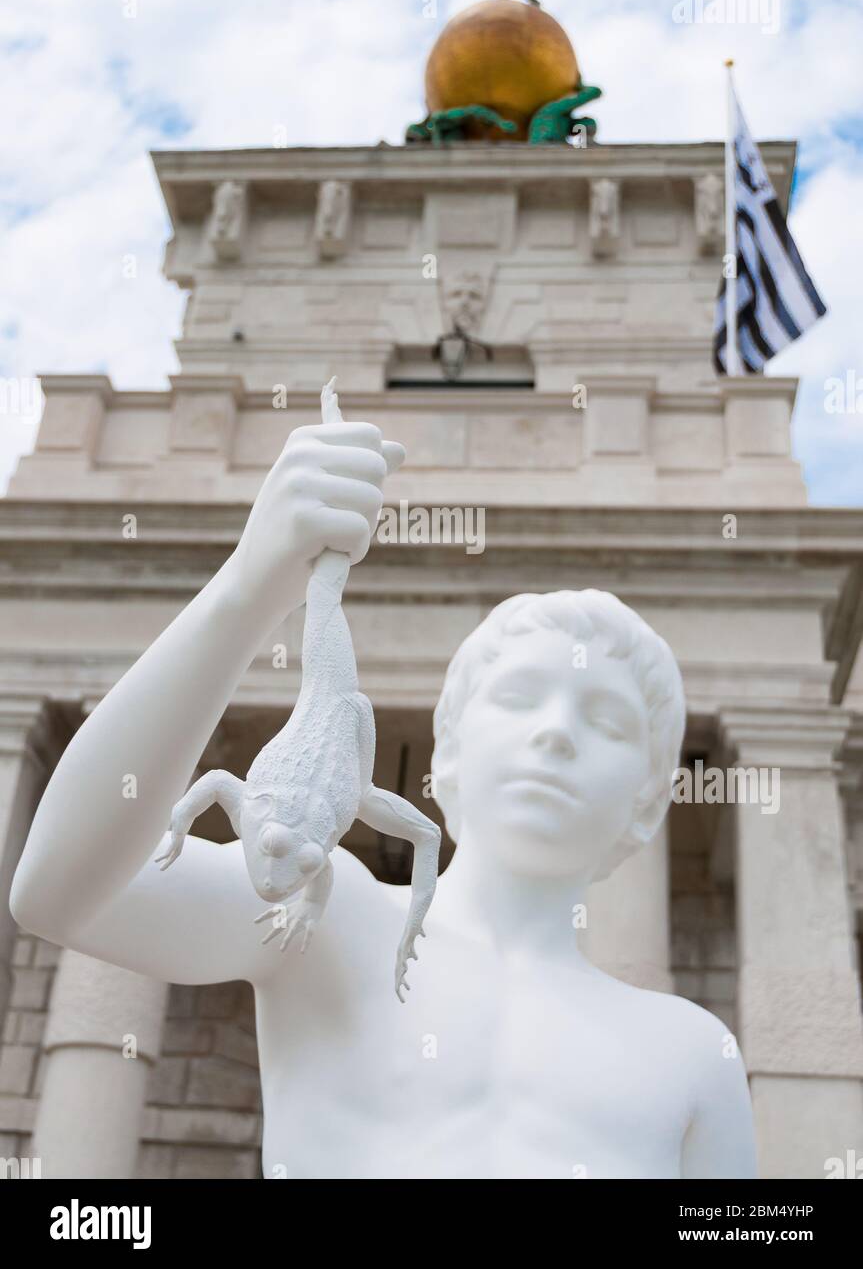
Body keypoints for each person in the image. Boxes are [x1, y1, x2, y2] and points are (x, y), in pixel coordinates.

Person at [11, 408, 757, 1179]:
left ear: (647, 796)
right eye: (522, 696)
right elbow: (59, 896)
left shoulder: (693, 1054)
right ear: (451, 750)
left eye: (605, 720)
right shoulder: (332, 917)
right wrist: (250, 587)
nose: (556, 734)